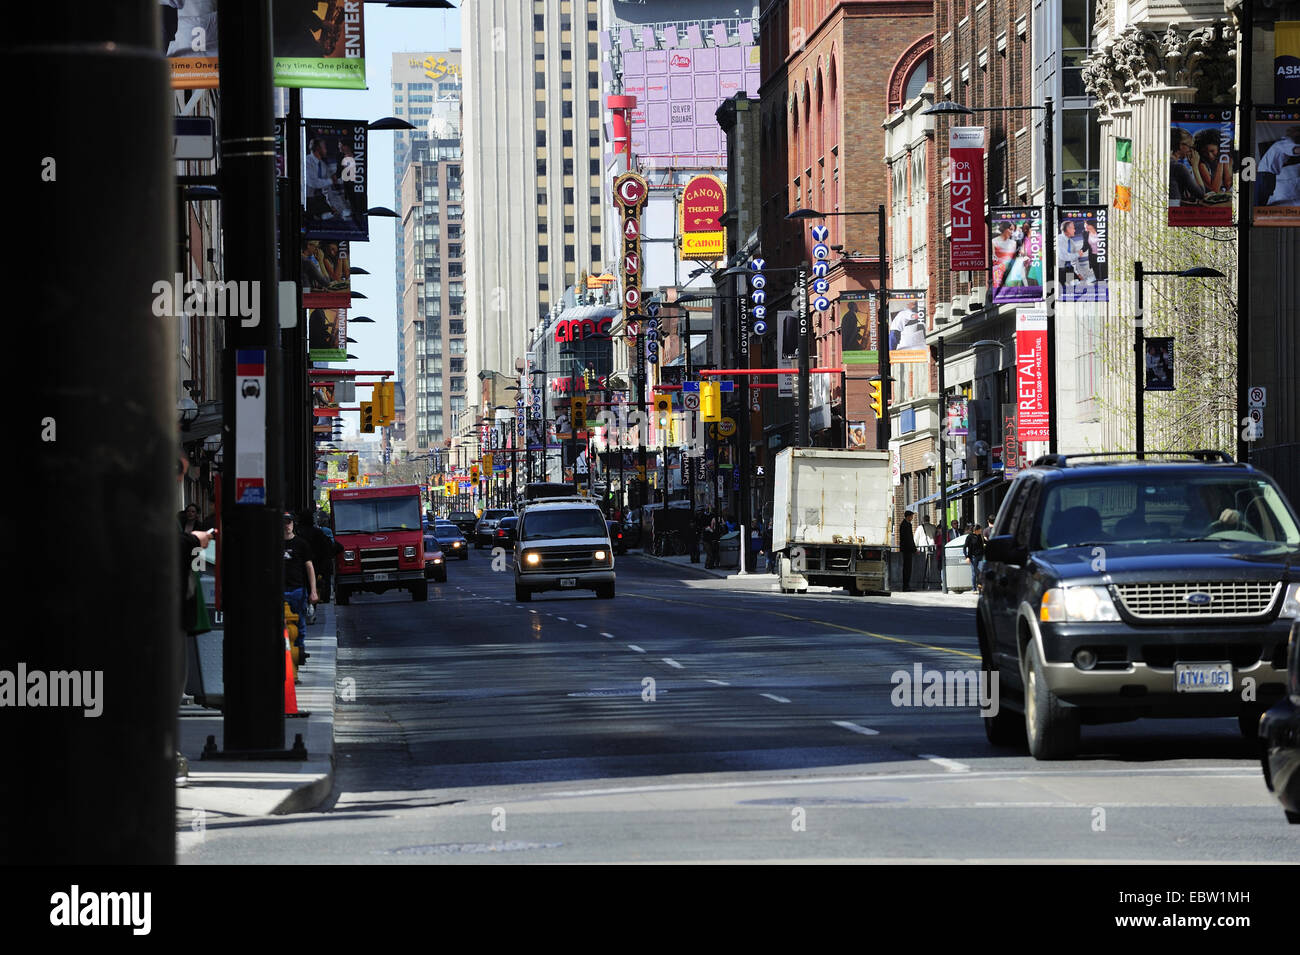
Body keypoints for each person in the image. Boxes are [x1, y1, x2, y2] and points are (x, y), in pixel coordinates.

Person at [282, 512, 318, 661]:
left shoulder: (301, 544)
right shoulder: (273, 544)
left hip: (297, 590)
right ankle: (285, 652)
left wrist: (313, 591)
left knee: (300, 623)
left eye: (289, 522)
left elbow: (309, 567)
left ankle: (298, 651)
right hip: (280, 591)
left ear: (293, 524)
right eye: (284, 522)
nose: (287, 526)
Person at [1257, 125, 1300, 207]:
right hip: (1266, 174)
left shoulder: (1282, 143)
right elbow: (1295, 150)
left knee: (1263, 201)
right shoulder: (1286, 142)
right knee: (1262, 202)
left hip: (1267, 174)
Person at [1170, 127, 1206, 206]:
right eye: (1190, 147)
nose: (1191, 151)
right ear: (1181, 146)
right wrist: (1195, 166)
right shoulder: (1179, 168)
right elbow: (1201, 194)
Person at [1191, 127, 1232, 197]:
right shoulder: (1201, 164)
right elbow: (1214, 190)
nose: (1210, 156)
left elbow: (1228, 185)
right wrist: (1221, 162)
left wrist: (1224, 160)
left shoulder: (1226, 157)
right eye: (1204, 152)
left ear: (1219, 148)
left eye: (1212, 151)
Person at [963, 523, 986, 592]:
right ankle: (974, 588)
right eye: (980, 529)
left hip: (981, 556)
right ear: (976, 530)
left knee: (981, 571)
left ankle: (980, 587)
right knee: (974, 573)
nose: (981, 530)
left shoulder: (980, 536)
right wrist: (967, 557)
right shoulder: (969, 537)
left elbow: (983, 544)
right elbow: (964, 547)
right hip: (973, 557)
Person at [899, 509, 917, 590]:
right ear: (908, 516)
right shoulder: (906, 525)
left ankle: (906, 585)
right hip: (907, 549)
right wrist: (914, 548)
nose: (912, 518)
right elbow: (909, 538)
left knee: (907, 568)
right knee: (907, 568)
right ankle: (906, 586)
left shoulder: (904, 524)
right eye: (911, 516)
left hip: (906, 549)